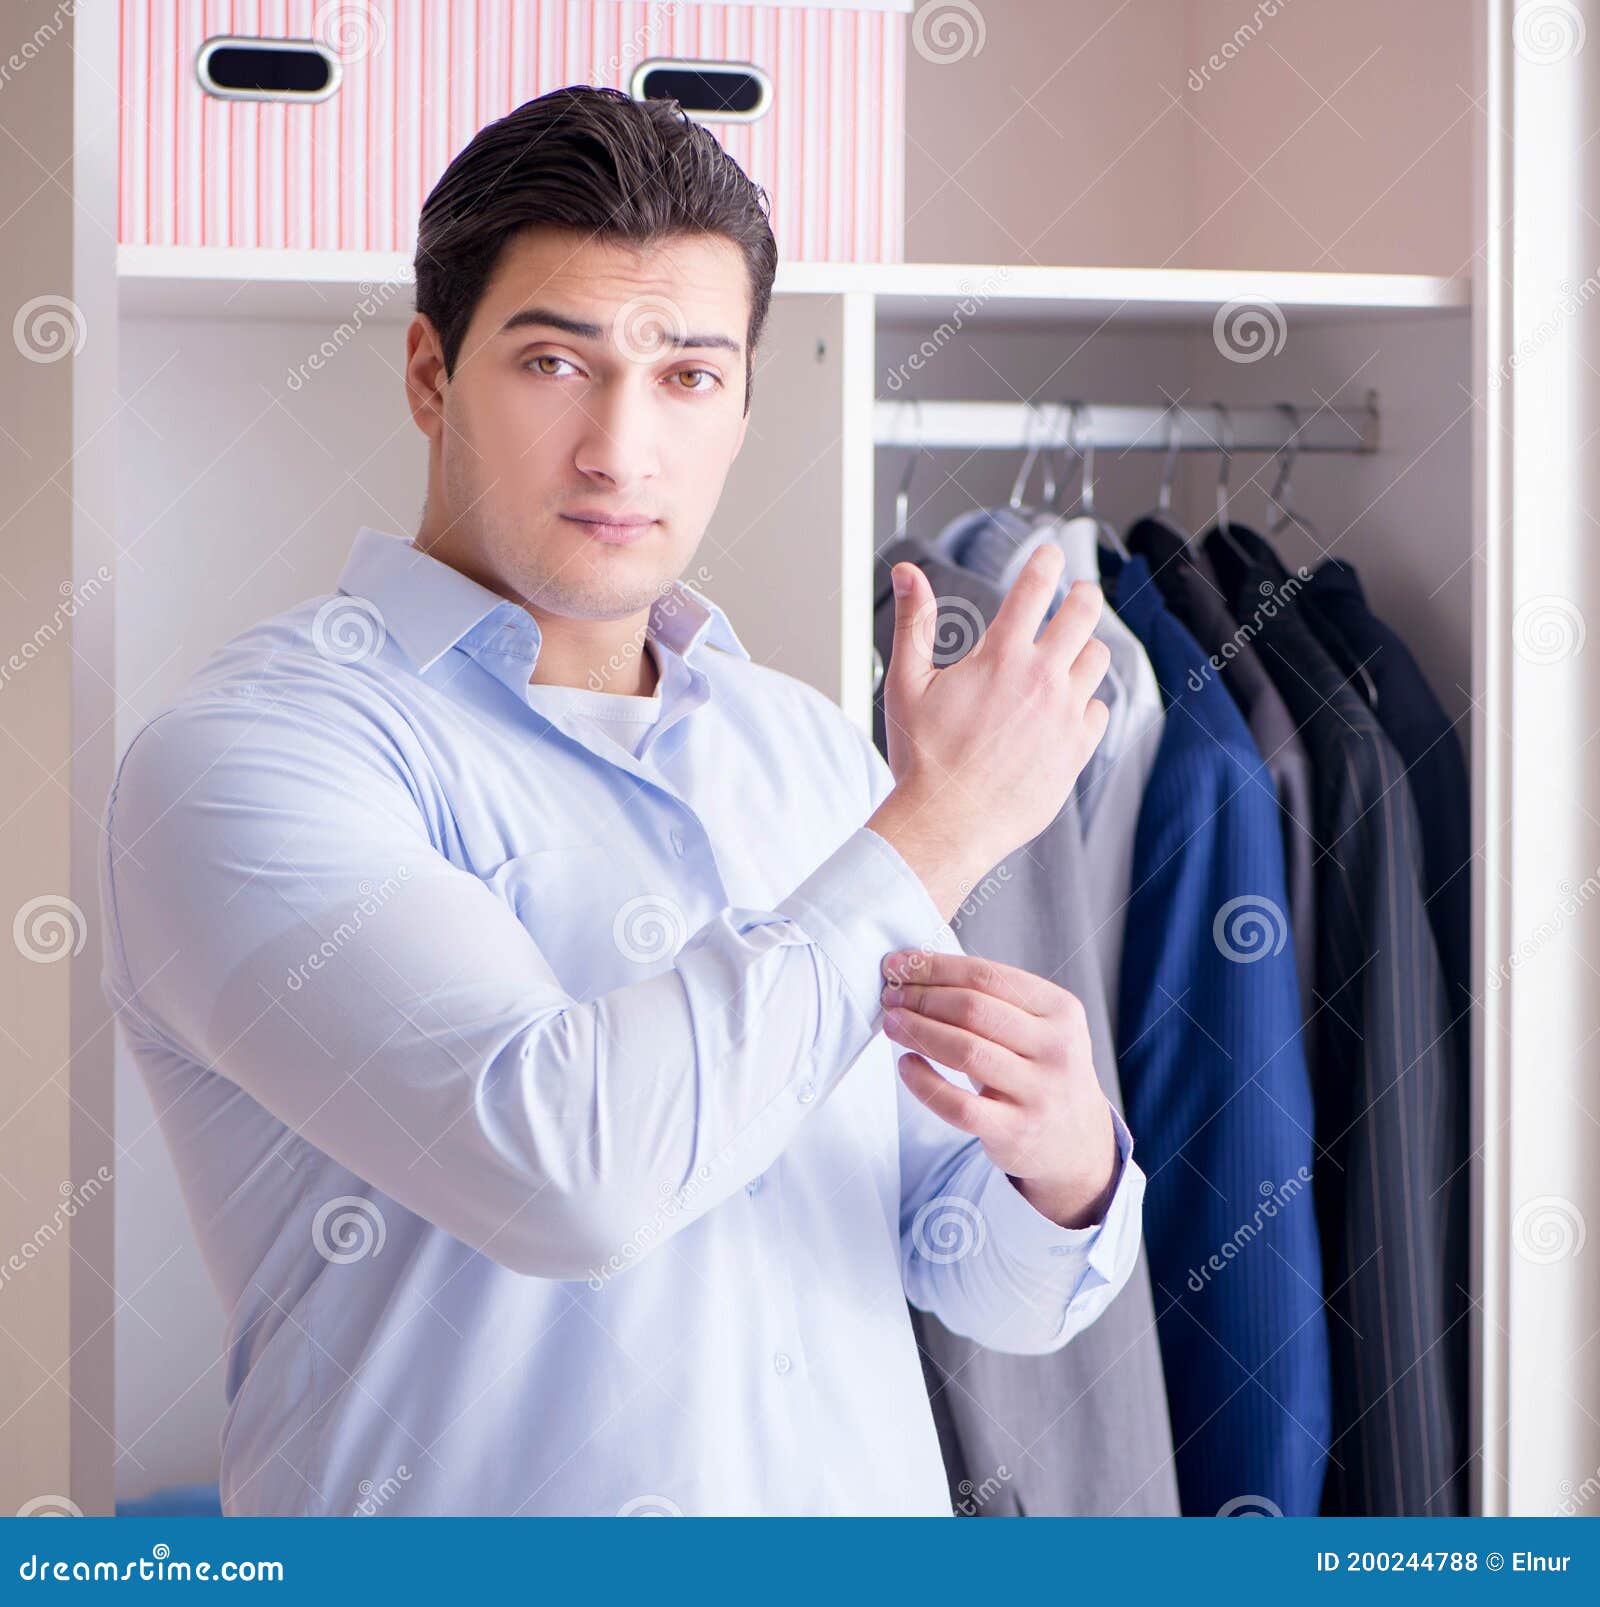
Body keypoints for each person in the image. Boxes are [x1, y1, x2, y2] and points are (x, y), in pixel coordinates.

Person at [99, 85, 1134, 1517]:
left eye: (690, 376)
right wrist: (940, 829)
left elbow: (965, 1278)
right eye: (554, 362)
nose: (620, 449)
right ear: (426, 373)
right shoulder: (251, 759)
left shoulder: (819, 760)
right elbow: (566, 1175)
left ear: (744, 405)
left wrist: (1063, 1169)